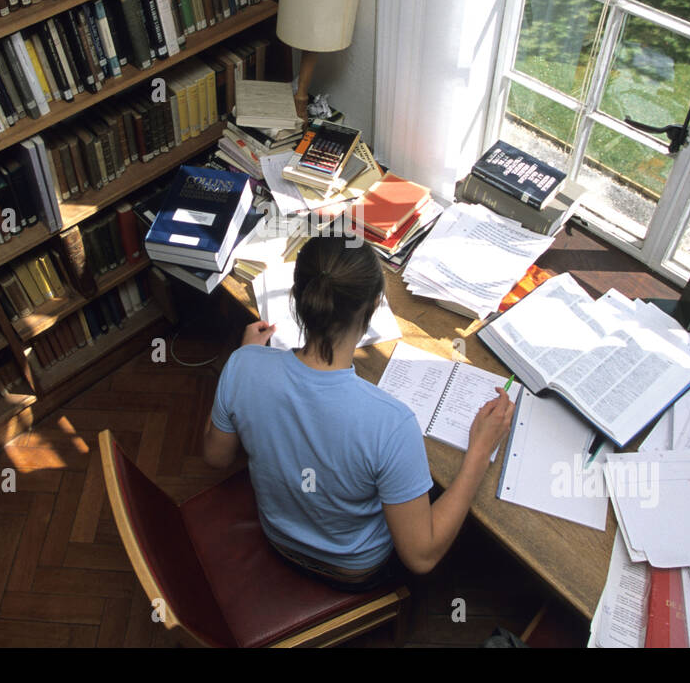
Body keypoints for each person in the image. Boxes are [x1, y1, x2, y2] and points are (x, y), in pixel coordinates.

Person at [203, 235, 514, 591]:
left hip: (277, 536)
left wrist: (244, 360)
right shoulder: (392, 424)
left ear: (296, 298)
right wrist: (479, 453)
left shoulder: (242, 364)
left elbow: (216, 456)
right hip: (354, 570)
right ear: (374, 306)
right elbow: (421, 557)